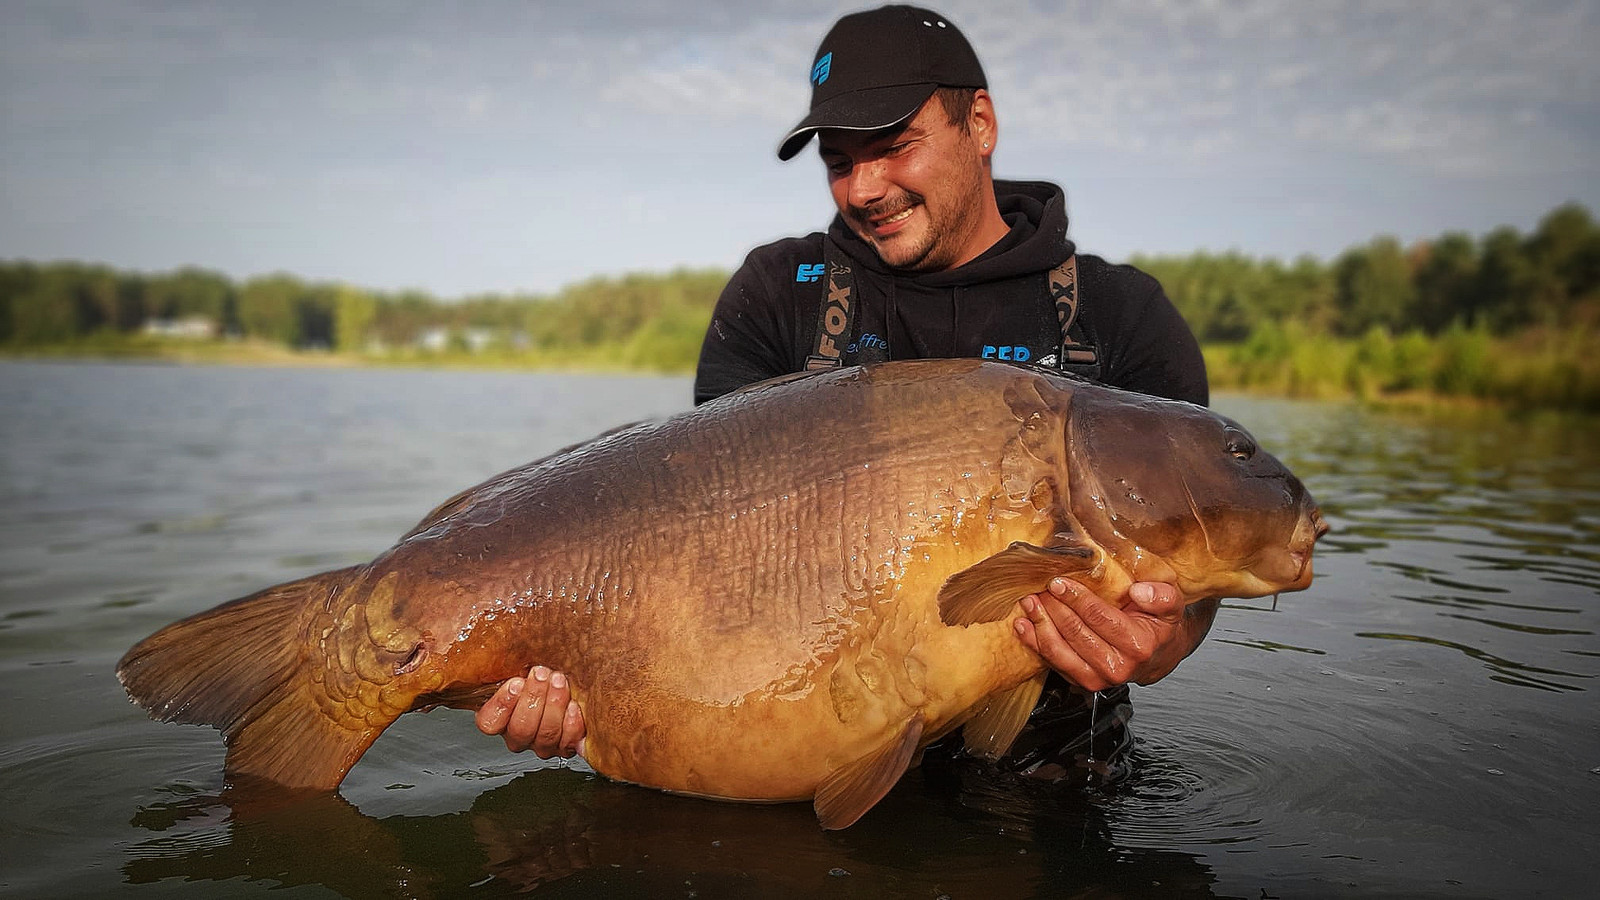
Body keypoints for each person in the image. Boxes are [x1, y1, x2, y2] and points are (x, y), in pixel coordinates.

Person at [478, 4, 1217, 782]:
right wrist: (589, 684)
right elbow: (697, 558)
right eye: (839, 159)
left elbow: (1198, 566)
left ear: (981, 123)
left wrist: (1170, 639)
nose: (864, 188)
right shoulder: (777, 293)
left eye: (897, 147)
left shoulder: (1122, 316)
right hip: (799, 755)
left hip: (1049, 778)